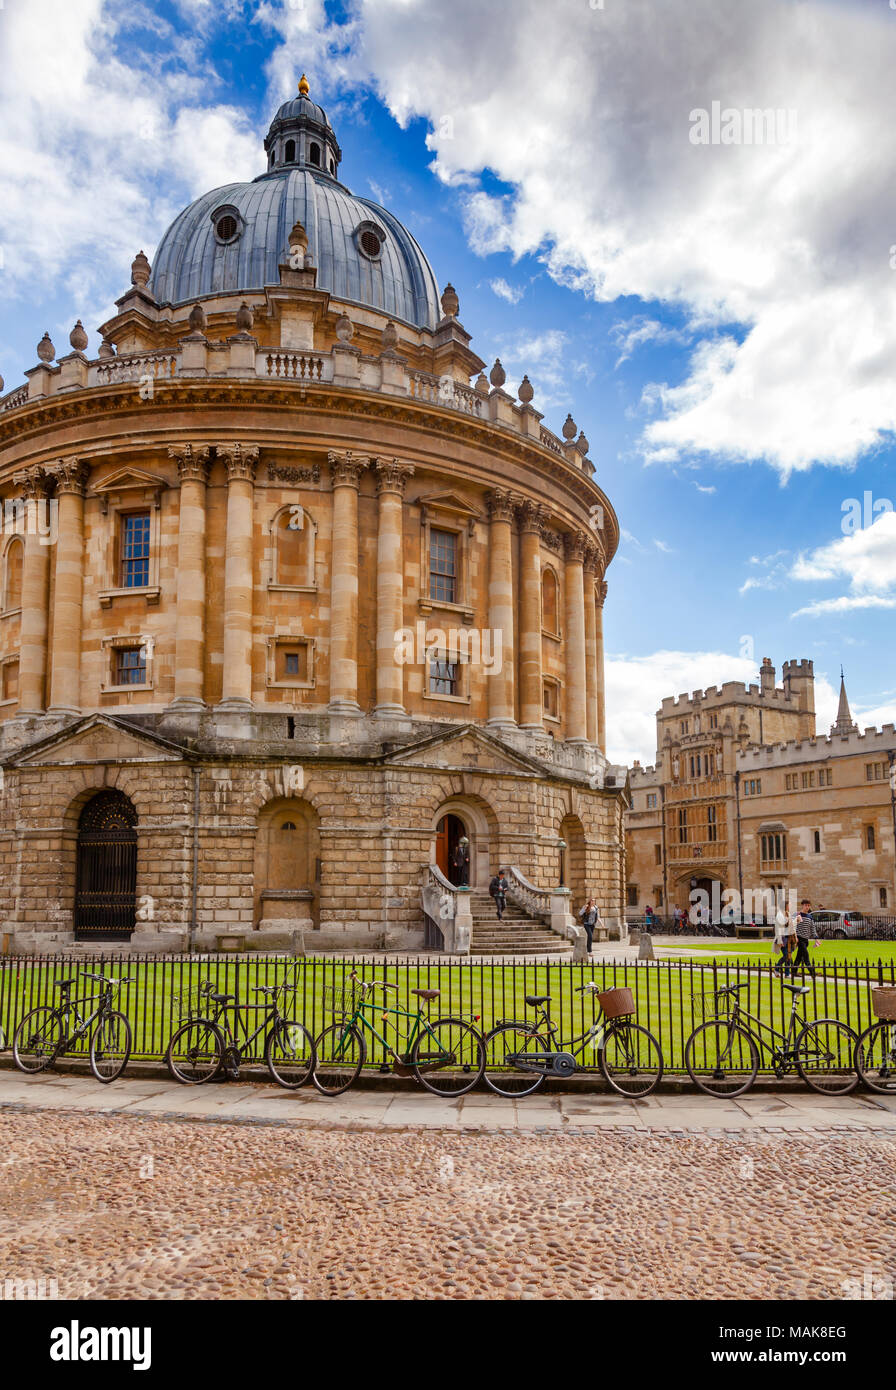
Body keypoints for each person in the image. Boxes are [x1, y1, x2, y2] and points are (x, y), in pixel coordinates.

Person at [792, 899, 816, 977]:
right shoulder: (797, 914)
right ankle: (812, 972)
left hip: (806, 940)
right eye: (806, 905)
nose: (807, 907)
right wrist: (795, 937)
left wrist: (816, 938)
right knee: (806, 956)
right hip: (799, 938)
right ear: (802, 905)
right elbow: (792, 926)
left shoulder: (810, 916)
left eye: (808, 905)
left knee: (799, 956)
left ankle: (794, 971)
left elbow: (813, 928)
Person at [773, 903, 794, 976]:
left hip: (788, 938)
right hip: (782, 938)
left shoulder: (788, 914)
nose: (789, 907)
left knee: (789, 956)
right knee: (787, 955)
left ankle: (787, 974)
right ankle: (776, 968)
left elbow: (791, 926)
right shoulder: (779, 915)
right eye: (788, 905)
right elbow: (778, 929)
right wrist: (779, 940)